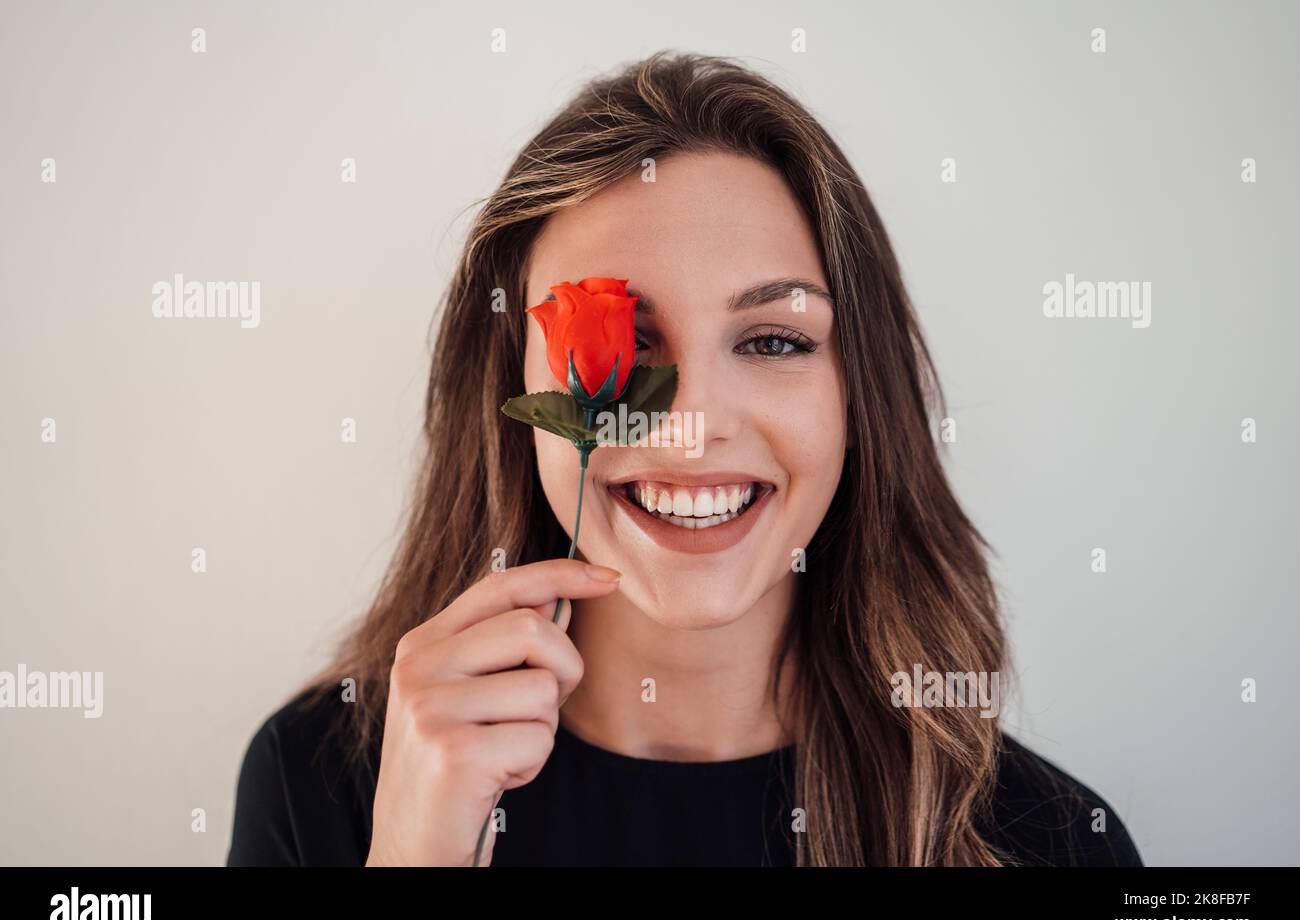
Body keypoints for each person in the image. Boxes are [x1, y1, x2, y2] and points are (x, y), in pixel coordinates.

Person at [228, 51, 1142, 867]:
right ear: (510, 389)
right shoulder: (325, 782)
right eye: (627, 336)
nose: (691, 423)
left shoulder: (1047, 840)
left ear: (863, 395)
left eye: (776, 341)